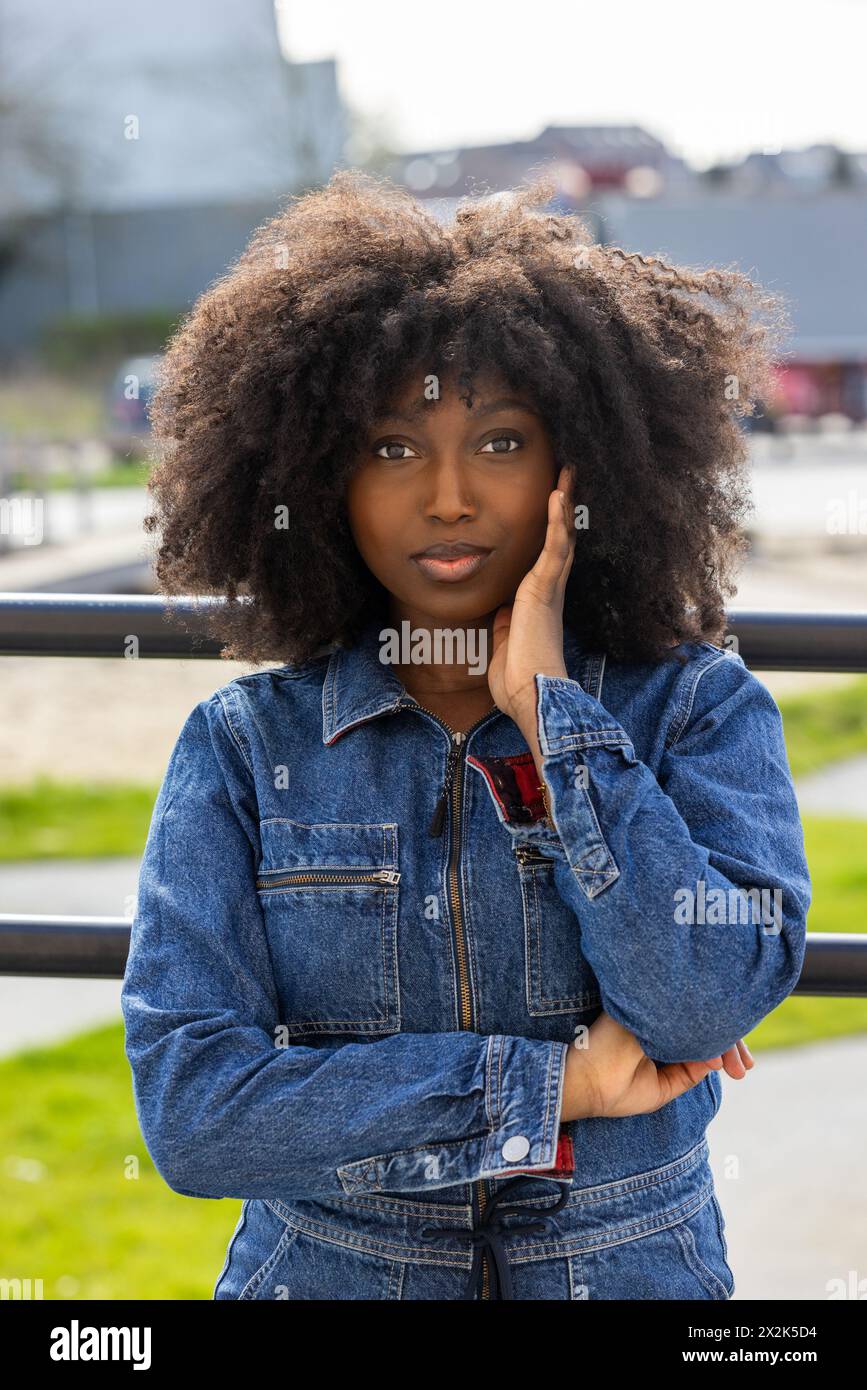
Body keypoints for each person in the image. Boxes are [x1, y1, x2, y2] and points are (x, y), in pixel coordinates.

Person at [121, 170, 811, 1300]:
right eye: (394, 448)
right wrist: (556, 1088)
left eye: (499, 442)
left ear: (580, 463)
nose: (448, 497)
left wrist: (556, 723)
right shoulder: (244, 749)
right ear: (318, 477)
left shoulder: (695, 709)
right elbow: (198, 1119)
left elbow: (700, 1001)